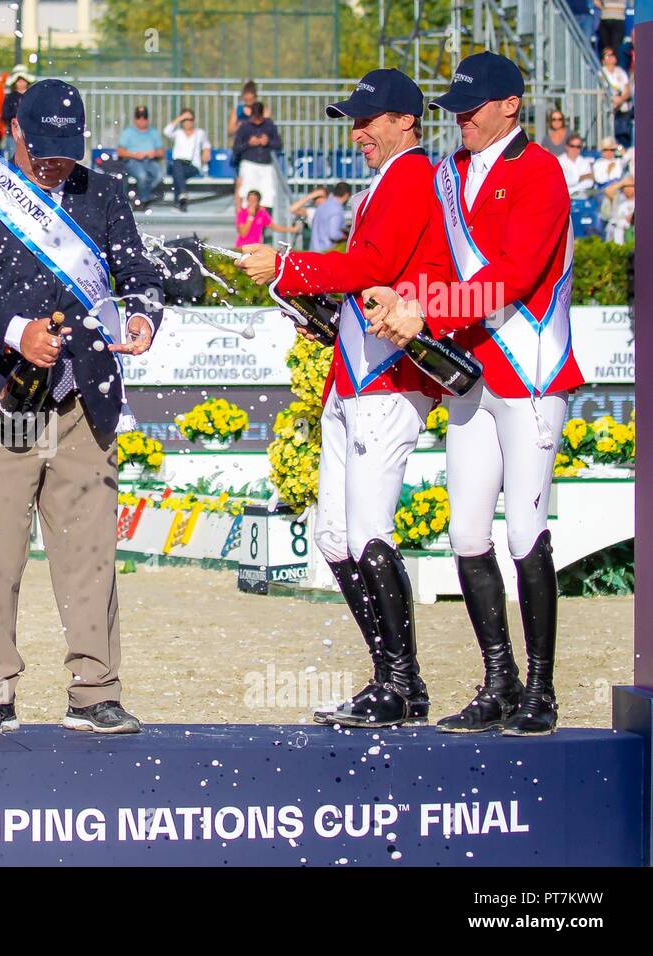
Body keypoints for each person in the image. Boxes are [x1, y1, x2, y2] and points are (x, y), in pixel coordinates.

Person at [365, 51, 585, 736]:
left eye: (474, 106)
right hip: (471, 376)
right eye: (455, 107)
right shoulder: (449, 173)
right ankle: (499, 681)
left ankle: (541, 691)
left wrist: (426, 311)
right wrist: (396, 297)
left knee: (523, 531)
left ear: (510, 105)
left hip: (530, 374)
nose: (461, 117)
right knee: (465, 534)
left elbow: (515, 276)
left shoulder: (540, 172)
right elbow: (431, 263)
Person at [0, 79, 164, 735]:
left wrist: (147, 318)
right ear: (14, 133)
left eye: (67, 150)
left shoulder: (106, 196)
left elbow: (141, 276)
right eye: (44, 148)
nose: (55, 162)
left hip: (82, 402)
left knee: (90, 551)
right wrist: (17, 332)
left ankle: (95, 689)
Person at [237, 69, 443, 728]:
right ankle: (391, 677)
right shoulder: (385, 180)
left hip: (389, 379)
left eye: (368, 120)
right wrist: (317, 311)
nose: (358, 133)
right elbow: (370, 278)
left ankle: (400, 682)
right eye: (355, 121)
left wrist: (290, 265)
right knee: (331, 535)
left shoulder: (412, 177)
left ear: (405, 121)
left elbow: (378, 265)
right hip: (353, 373)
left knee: (368, 532)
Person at [233, 102, 282, 211]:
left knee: (267, 195)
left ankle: (262, 222)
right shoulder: (244, 127)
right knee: (247, 194)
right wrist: (249, 143)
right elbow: (236, 148)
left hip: (266, 165)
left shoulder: (270, 125)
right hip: (249, 164)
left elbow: (278, 145)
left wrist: (268, 141)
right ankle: (248, 221)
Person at [117, 105, 166, 207]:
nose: (142, 119)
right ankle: (144, 200)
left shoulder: (153, 132)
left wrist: (154, 153)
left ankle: (142, 195)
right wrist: (134, 155)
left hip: (150, 161)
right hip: (133, 161)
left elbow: (161, 152)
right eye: (139, 117)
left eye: (144, 116)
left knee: (159, 175)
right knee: (142, 175)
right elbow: (120, 152)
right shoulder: (128, 132)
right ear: (135, 119)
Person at [164, 108, 211, 211]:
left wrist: (206, 151)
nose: (187, 122)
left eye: (189, 119)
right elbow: (166, 131)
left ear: (193, 120)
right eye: (184, 119)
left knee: (177, 173)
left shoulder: (200, 133)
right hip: (178, 164)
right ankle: (182, 196)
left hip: (192, 165)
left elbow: (206, 144)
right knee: (177, 166)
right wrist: (180, 117)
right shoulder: (178, 133)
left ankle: (178, 202)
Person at [292, 180, 351, 252]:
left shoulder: (321, 207)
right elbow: (334, 234)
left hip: (313, 251)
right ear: (347, 195)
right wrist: (347, 236)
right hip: (326, 253)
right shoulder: (336, 209)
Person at [601, 46, 634, 147]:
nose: (611, 57)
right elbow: (601, 92)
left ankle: (624, 148)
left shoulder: (620, 71)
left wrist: (621, 99)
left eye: (613, 55)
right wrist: (613, 100)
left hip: (622, 107)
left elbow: (627, 90)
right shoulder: (600, 73)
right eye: (608, 55)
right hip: (608, 108)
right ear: (603, 60)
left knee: (623, 131)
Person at [0, 69, 32, 162]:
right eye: (19, 81)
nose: (21, 83)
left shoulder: (33, 96)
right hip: (13, 134)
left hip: (30, 134)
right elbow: (5, 115)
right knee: (14, 157)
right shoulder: (10, 97)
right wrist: (17, 115)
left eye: (23, 81)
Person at [603, 174, 634, 241]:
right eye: (625, 187)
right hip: (616, 231)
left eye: (631, 186)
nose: (628, 189)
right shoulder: (618, 198)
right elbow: (607, 191)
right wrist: (622, 183)